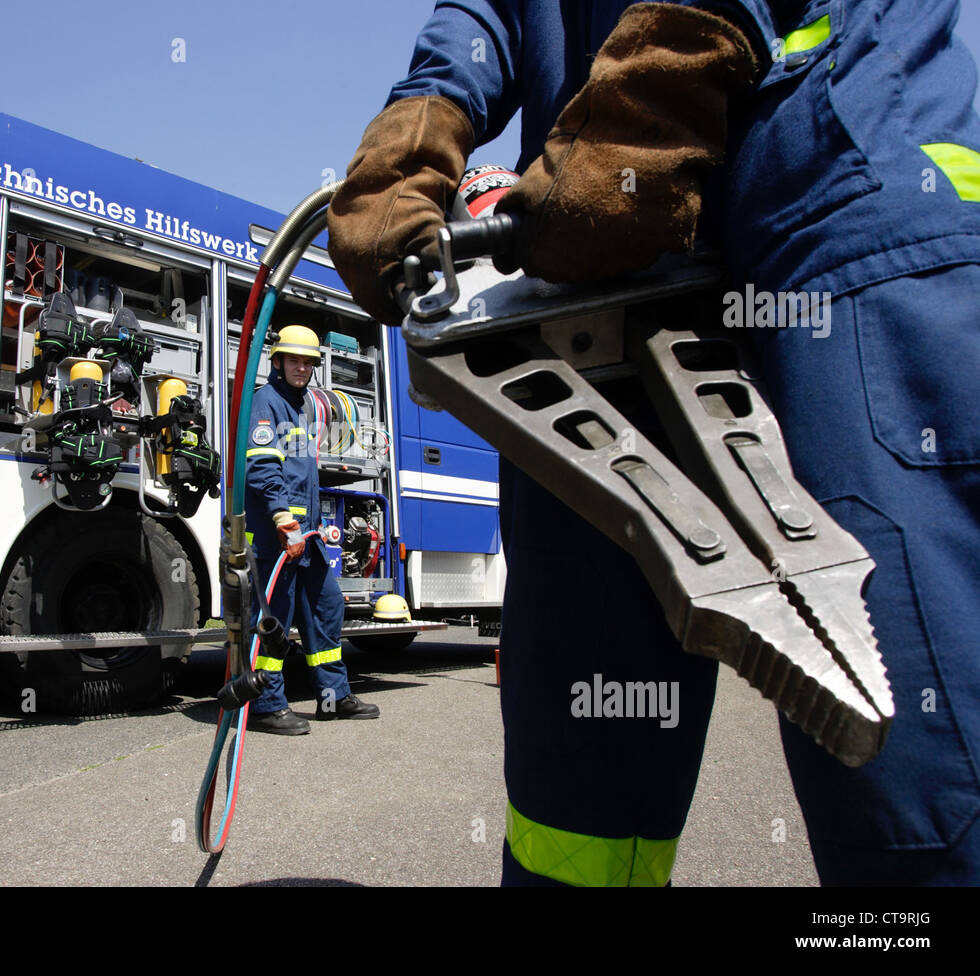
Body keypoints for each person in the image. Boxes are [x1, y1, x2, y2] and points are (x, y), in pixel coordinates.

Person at [328, 0, 980, 884]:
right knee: (582, 782)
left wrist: (664, 74)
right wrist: (417, 138)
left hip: (838, 197)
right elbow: (476, 30)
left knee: (910, 766)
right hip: (593, 269)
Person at [244, 325, 381, 734]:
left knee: (326, 608)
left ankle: (331, 697)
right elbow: (262, 470)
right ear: (278, 361)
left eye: (308, 362)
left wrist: (309, 526)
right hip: (278, 537)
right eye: (294, 360)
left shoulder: (299, 406)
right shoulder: (265, 403)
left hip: (307, 536)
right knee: (275, 621)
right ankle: (266, 706)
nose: (302, 368)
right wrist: (286, 524)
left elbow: (301, 476)